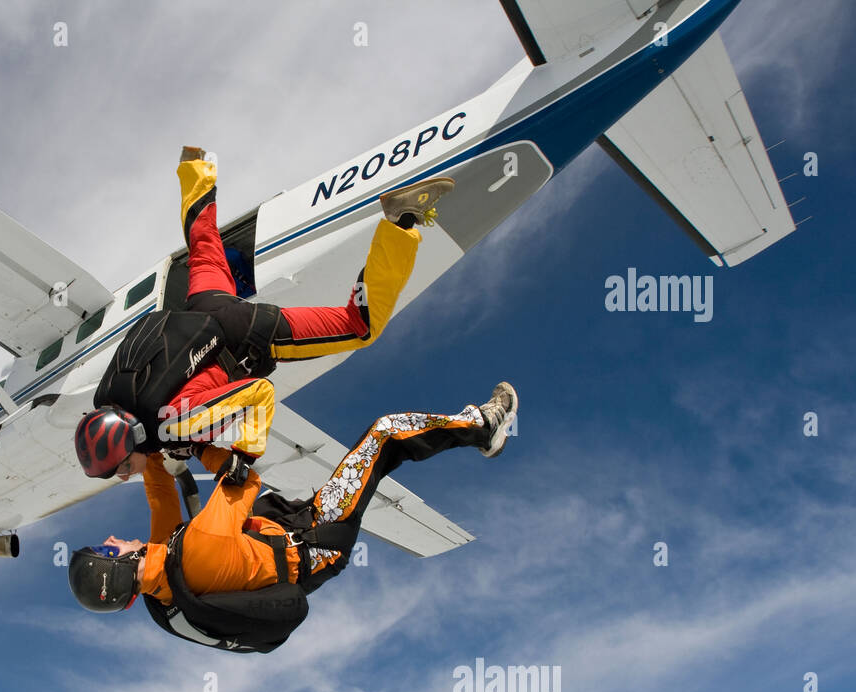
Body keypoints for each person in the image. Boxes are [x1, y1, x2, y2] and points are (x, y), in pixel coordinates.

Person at [75, 146, 455, 483]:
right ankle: (195, 167)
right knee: (204, 243)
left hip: (249, 335)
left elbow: (259, 392)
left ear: (134, 439)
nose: (125, 475)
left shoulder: (171, 423)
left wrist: (245, 454)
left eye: (122, 466)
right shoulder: (109, 396)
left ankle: (401, 223)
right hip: (204, 304)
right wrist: (181, 443)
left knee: (359, 327)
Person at [67, 382, 518, 653]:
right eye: (108, 548)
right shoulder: (197, 549)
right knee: (386, 434)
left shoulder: (166, 585)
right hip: (318, 538)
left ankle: (479, 427)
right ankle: (484, 425)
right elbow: (243, 479)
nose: (111, 537)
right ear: (118, 563)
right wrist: (198, 446)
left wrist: (145, 445)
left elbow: (161, 496)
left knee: (377, 445)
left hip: (289, 531)